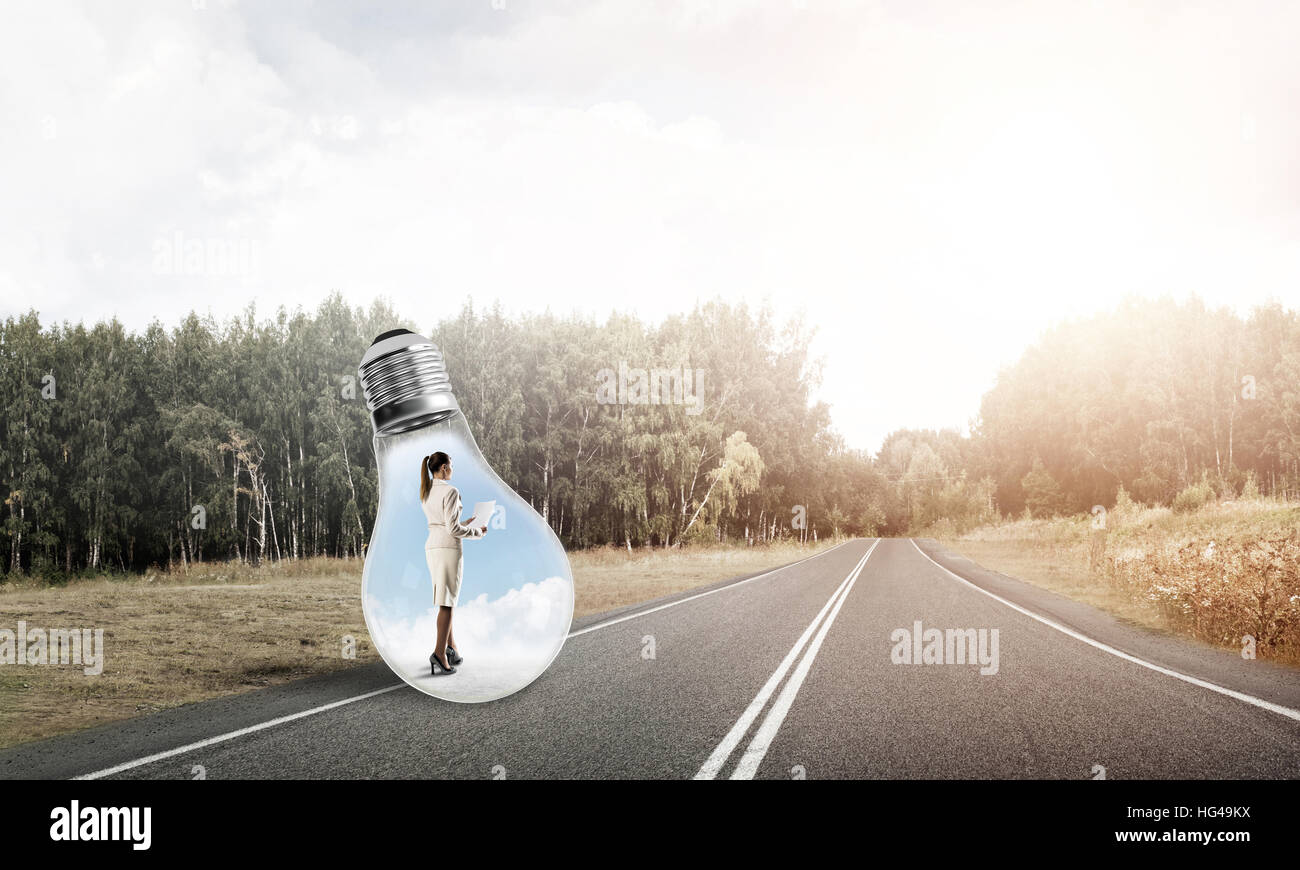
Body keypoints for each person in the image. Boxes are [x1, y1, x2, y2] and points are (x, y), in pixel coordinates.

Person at [419, 451, 487, 676]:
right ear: (445, 468)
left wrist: (464, 521)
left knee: (444, 598)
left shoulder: (426, 491)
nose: (453, 470)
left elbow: (445, 522)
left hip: (433, 547)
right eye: (451, 466)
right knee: (447, 603)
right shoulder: (451, 491)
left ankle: (451, 649)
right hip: (449, 547)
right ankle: (439, 653)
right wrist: (477, 531)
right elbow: (453, 529)